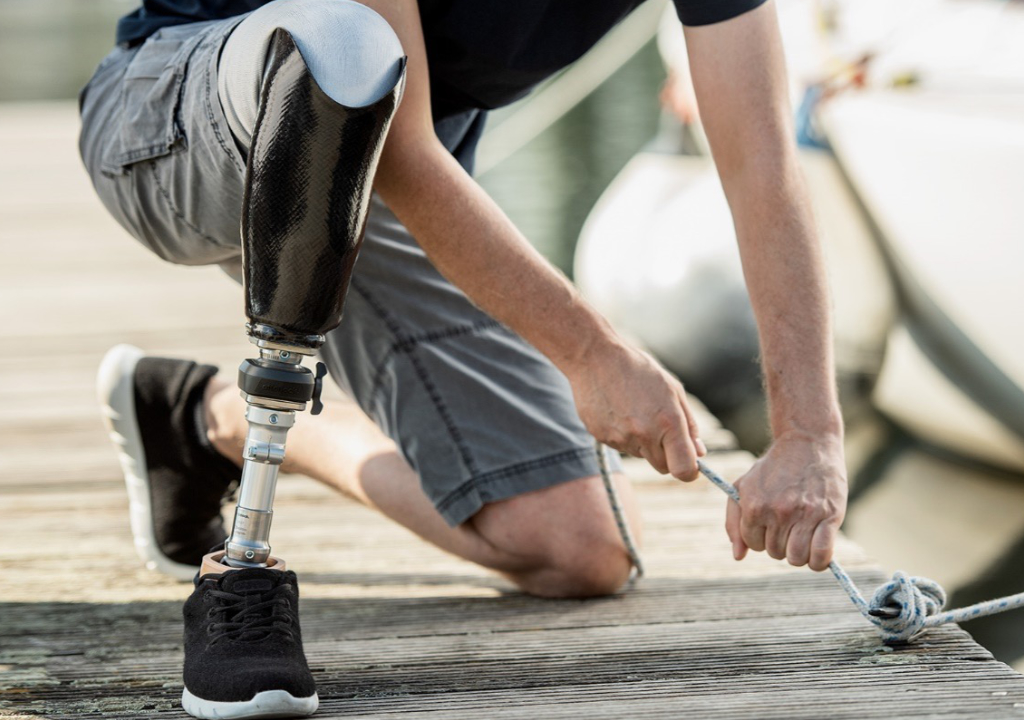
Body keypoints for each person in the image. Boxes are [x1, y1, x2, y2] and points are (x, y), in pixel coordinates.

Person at [79, 0, 848, 717]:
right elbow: (405, 147)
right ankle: (245, 561)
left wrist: (808, 433)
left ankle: (197, 417)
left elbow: (761, 162)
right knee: (339, 46)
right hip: (181, 110)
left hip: (386, 160)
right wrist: (592, 353)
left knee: (576, 546)